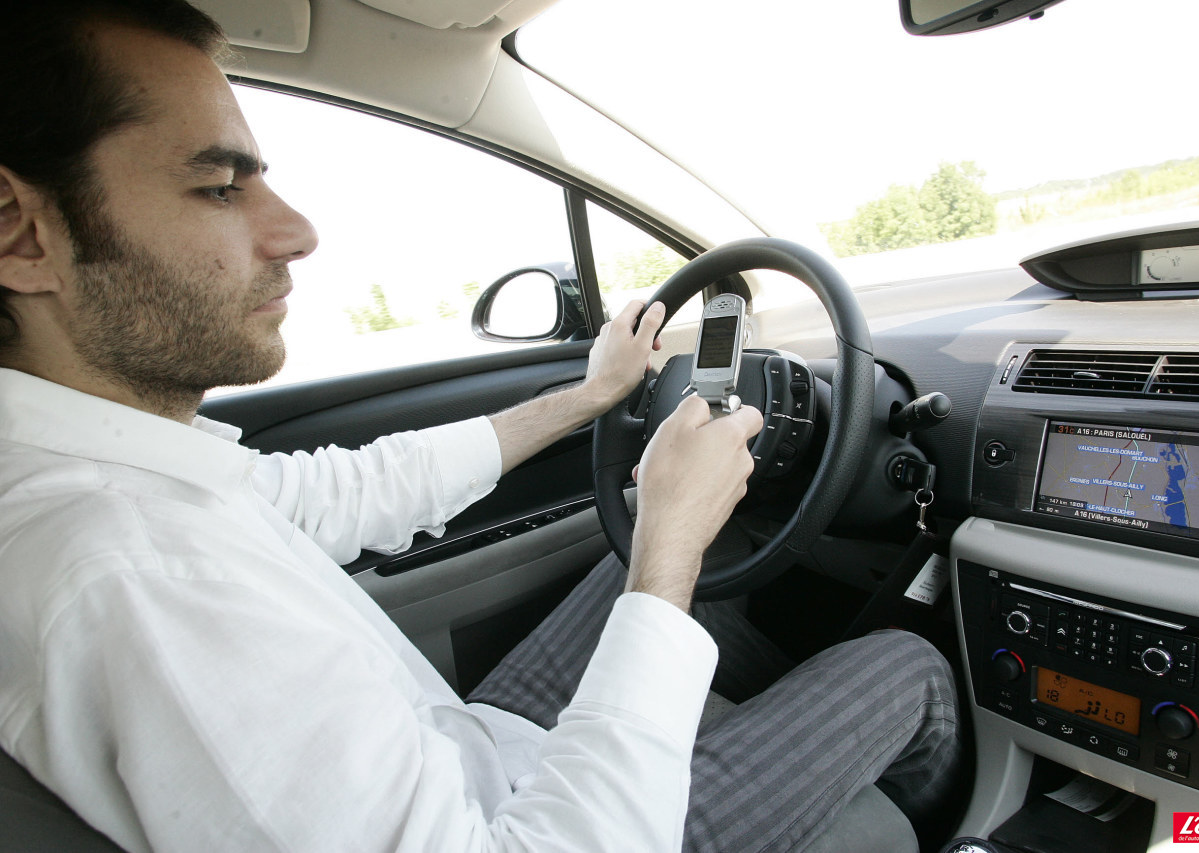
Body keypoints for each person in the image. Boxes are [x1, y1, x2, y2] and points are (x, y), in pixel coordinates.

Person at [0, 2, 960, 851]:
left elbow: (357, 488)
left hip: (471, 755)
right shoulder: (132, 575)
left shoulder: (123, 477)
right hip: (548, 826)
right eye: (219, 186)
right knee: (907, 664)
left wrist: (589, 398)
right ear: (21, 234)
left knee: (660, 574)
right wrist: (668, 538)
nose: (296, 230)